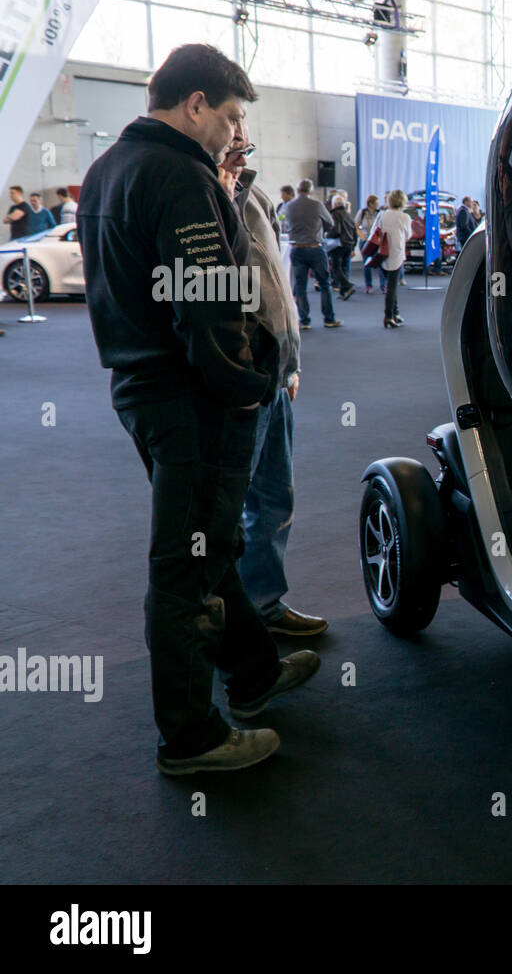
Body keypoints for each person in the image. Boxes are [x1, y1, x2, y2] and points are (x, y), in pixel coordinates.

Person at [77, 43, 319, 775]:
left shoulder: (106, 170)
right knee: (186, 567)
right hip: (194, 400)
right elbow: (207, 309)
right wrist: (249, 384)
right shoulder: (179, 176)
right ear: (196, 106)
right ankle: (190, 737)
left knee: (207, 545)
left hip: (141, 388)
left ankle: (250, 675)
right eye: (231, 116)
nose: (233, 132)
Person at [216, 128, 329, 639]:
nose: (241, 138)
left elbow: (275, 286)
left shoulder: (255, 193)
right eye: (231, 126)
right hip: (236, 381)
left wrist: (290, 364)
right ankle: (231, 622)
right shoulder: (197, 195)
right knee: (228, 510)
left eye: (245, 131)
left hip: (274, 376)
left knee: (273, 499)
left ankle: (262, 605)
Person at [284, 178, 341, 329]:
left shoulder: (288, 206)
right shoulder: (317, 205)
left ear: (297, 190)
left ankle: (304, 321)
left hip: (296, 248)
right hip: (315, 247)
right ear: (311, 191)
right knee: (324, 284)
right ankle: (329, 318)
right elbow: (330, 223)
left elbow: (285, 224)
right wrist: (320, 230)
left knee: (300, 286)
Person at [376, 188, 412, 328]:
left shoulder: (382, 215)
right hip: (396, 253)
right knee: (392, 286)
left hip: (382, 252)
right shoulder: (404, 217)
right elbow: (408, 235)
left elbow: (376, 230)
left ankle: (395, 313)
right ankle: (388, 316)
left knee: (391, 285)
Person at [328, 193, 358, 300]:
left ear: (334, 204)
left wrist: (328, 236)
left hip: (338, 244)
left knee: (336, 268)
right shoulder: (348, 214)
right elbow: (355, 232)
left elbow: (336, 230)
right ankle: (343, 291)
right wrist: (354, 246)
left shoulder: (335, 214)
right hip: (349, 244)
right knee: (344, 268)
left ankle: (348, 286)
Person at [355, 194, 381, 293]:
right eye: (376, 203)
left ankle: (383, 285)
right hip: (365, 240)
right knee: (367, 264)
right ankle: (368, 285)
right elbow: (356, 226)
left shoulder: (379, 213)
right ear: (371, 203)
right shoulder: (362, 212)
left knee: (379, 262)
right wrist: (363, 237)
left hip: (376, 240)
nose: (377, 205)